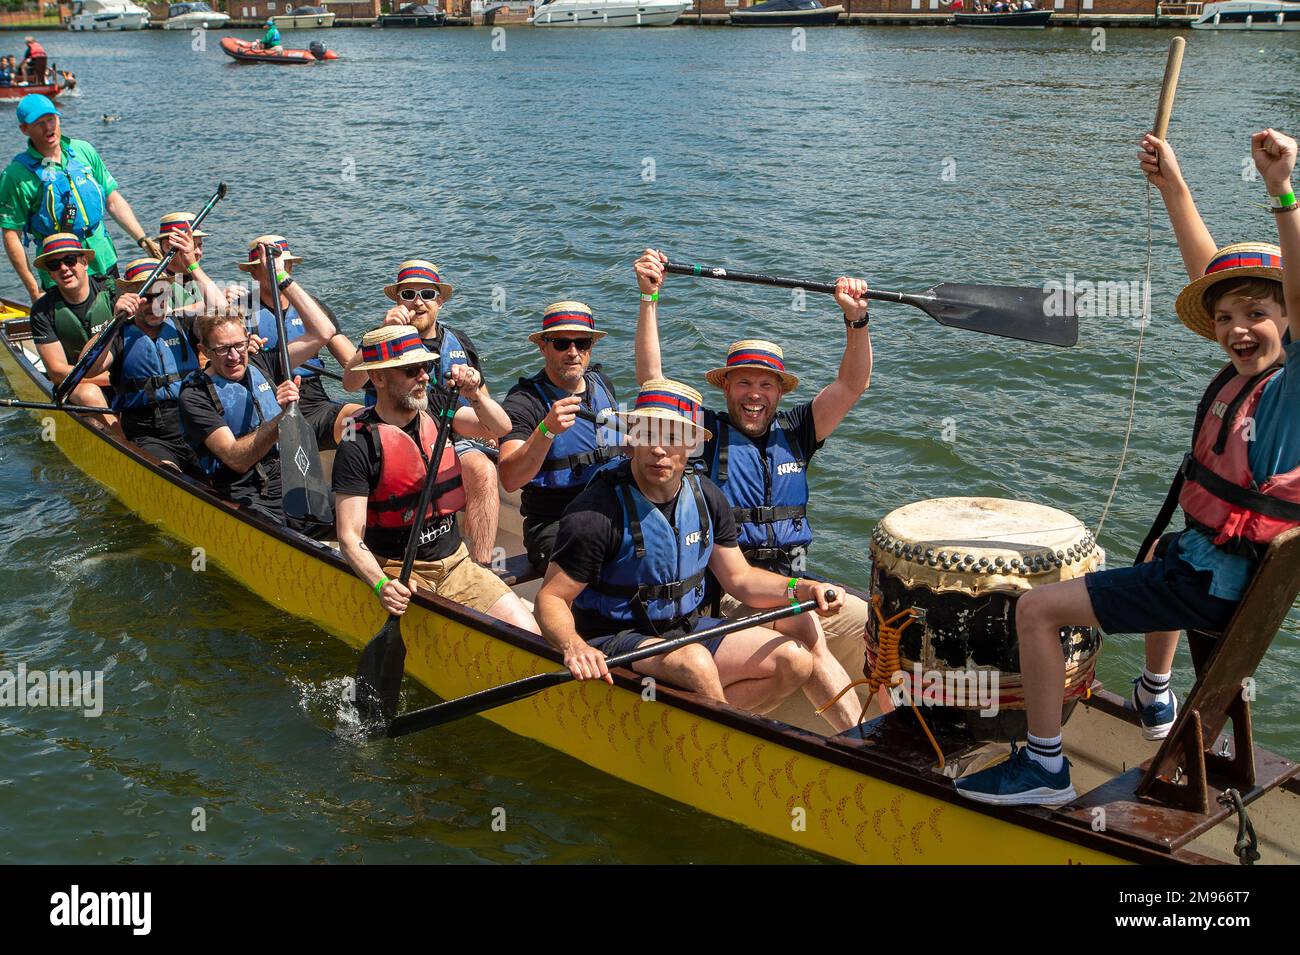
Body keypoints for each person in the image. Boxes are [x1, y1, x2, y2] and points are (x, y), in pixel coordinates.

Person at [956, 128, 1300, 807]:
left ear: (1289, 318)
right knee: (1161, 546)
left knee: (1037, 609)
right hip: (1217, 570)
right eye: (1226, 315)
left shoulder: (1288, 395)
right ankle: (1155, 693)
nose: (1237, 327)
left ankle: (1045, 768)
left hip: (1208, 587)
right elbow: (1210, 273)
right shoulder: (1254, 366)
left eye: (1258, 314)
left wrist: (1283, 190)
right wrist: (1173, 183)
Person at [633, 249, 877, 728]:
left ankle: (893, 727)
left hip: (786, 576)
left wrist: (857, 320)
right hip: (727, 586)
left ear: (779, 392)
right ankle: (863, 748)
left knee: (881, 628)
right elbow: (652, 382)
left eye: (765, 385)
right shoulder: (705, 436)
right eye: (743, 382)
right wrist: (650, 299)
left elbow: (852, 384)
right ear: (726, 388)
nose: (754, 394)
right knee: (810, 631)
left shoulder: (798, 431)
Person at [535, 378, 846, 722]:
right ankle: (728, 742)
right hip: (615, 637)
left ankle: (707, 723)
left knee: (794, 661)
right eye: (648, 435)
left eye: (672, 438)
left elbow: (740, 580)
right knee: (695, 662)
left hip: (684, 627)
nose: (658, 450)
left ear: (692, 444)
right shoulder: (595, 512)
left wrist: (800, 588)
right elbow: (551, 598)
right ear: (632, 440)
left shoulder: (707, 497)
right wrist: (573, 646)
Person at [333, 325, 540, 634]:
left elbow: (499, 427)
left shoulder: (437, 411)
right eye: (411, 370)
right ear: (378, 378)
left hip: (457, 563)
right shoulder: (358, 444)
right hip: (401, 572)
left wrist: (476, 394)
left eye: (426, 366)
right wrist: (381, 586)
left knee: (529, 634)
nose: (425, 376)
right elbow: (349, 537)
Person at [342, 260, 504, 565]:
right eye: (408, 294)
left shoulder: (458, 342)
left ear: (439, 302)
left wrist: (492, 433)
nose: (418, 302)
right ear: (397, 300)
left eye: (427, 293)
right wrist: (384, 330)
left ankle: (482, 566)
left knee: (483, 470)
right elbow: (351, 383)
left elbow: (481, 394)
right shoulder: (381, 340)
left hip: (452, 435)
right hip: (392, 437)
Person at [177, 250, 337, 524]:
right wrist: (281, 418)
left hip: (287, 476)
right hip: (243, 491)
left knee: (351, 505)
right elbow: (236, 459)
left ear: (248, 341)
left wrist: (282, 278)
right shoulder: (194, 396)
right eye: (223, 349)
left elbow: (323, 331)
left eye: (239, 346)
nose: (234, 356)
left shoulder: (264, 362)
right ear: (205, 350)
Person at [1, 95, 158, 302]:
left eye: (51, 119)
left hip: (102, 257)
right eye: (39, 123)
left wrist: (142, 238)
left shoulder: (83, 150)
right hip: (62, 270)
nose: (48, 127)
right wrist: (33, 289)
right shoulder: (16, 175)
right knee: (78, 329)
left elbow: (112, 199)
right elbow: (11, 234)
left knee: (116, 322)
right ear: (24, 129)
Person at [498, 300, 620, 569]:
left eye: (582, 343)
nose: (573, 352)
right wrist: (546, 430)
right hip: (555, 523)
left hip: (609, 510)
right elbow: (509, 478)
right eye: (562, 343)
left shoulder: (604, 385)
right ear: (543, 346)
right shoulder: (523, 401)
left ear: (591, 347)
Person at [237, 235, 361, 451]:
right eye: (266, 266)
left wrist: (374, 344)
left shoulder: (312, 308)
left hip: (313, 400)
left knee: (356, 421)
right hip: (267, 399)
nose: (272, 271)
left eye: (280, 265)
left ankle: (348, 466)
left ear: (290, 268)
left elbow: (353, 365)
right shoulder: (237, 312)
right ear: (253, 272)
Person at [85, 254, 202, 473]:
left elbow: (224, 312)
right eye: (144, 298)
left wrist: (193, 265)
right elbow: (88, 368)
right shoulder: (118, 335)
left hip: (195, 423)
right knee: (167, 473)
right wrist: (113, 321)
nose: (153, 304)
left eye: (159, 295)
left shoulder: (185, 322)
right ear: (129, 298)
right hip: (149, 434)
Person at [27, 232, 119, 422]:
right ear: (50, 273)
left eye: (70, 260)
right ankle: (125, 443)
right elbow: (57, 371)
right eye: (55, 265)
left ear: (84, 262)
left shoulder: (111, 290)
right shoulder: (41, 311)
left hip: (120, 374)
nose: (64, 269)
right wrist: (112, 379)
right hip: (76, 385)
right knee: (90, 395)